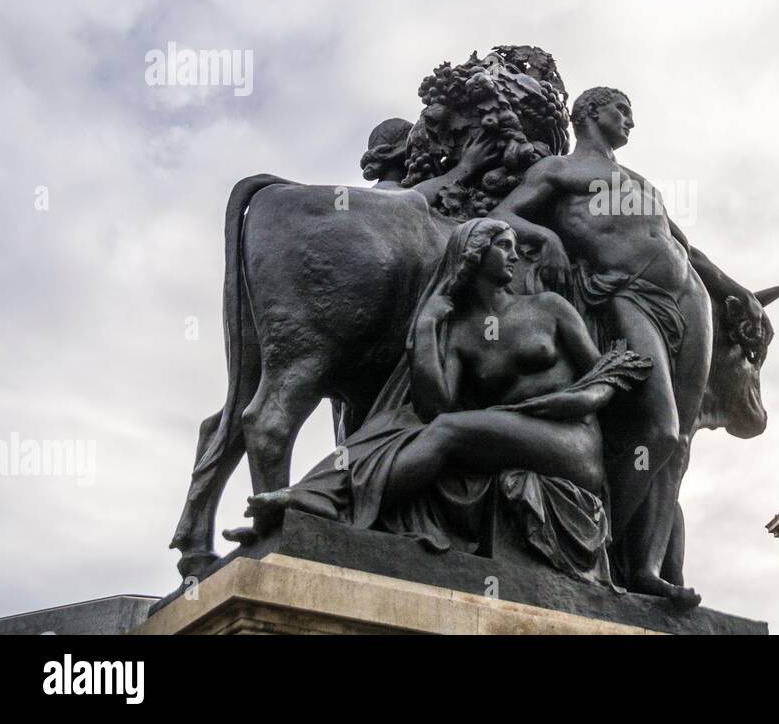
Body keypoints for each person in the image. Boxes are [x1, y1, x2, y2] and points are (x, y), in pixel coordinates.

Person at [244, 218, 651, 585]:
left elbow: (608, 373)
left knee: (447, 433)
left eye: (514, 246)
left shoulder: (548, 307)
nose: (514, 256)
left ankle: (331, 503)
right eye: (503, 247)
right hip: (510, 437)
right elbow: (434, 408)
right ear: (473, 256)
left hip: (572, 444)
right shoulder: (459, 334)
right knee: (395, 427)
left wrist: (578, 400)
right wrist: (425, 327)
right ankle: (311, 497)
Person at [488, 87, 765, 606]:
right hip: (626, 293)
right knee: (658, 430)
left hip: (691, 299)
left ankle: (646, 568)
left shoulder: (640, 183)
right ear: (591, 113)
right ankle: (597, 547)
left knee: (680, 442)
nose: (630, 122)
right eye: (623, 111)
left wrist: (737, 290)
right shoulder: (558, 171)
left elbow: (687, 247)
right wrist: (546, 239)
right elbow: (503, 216)